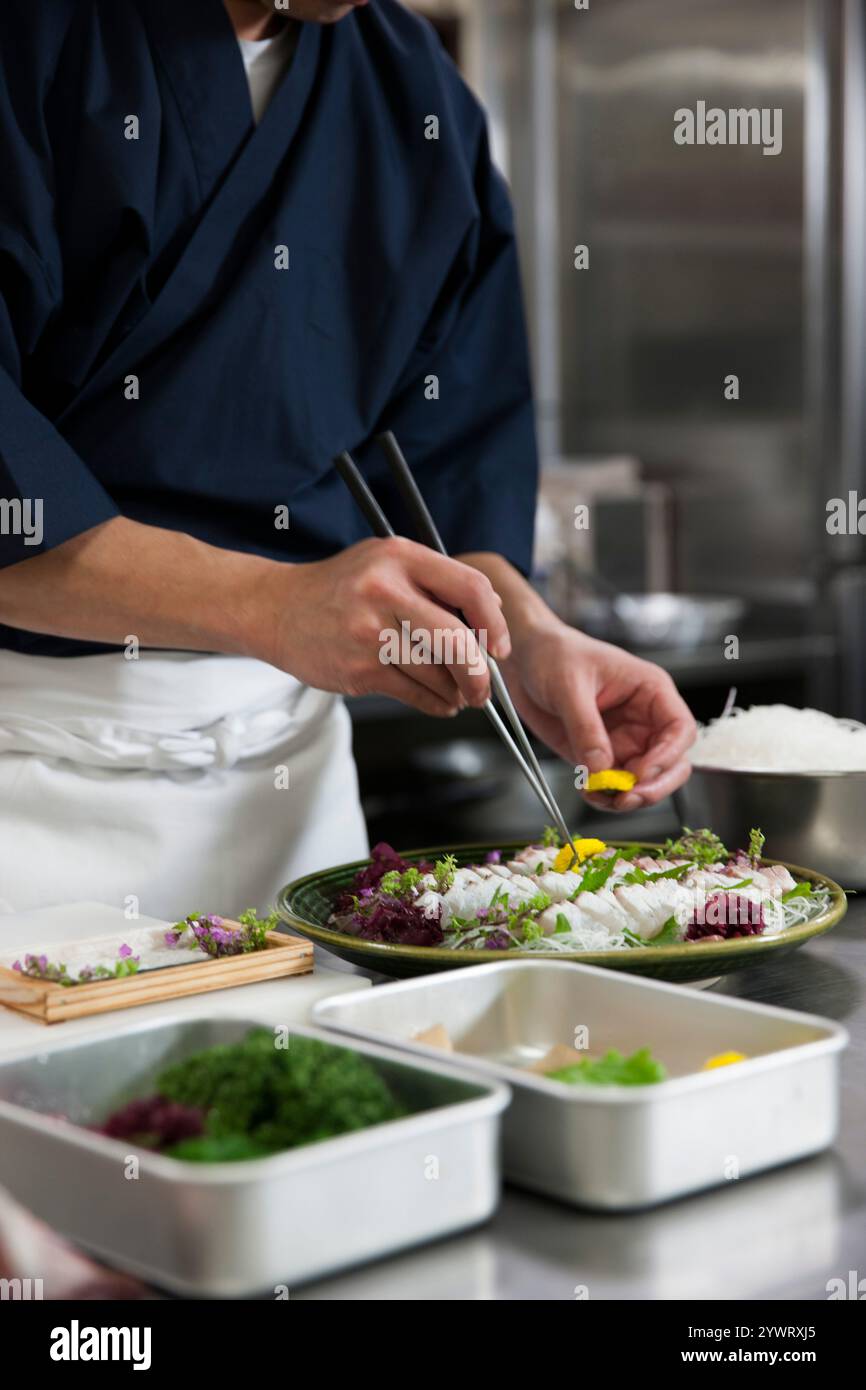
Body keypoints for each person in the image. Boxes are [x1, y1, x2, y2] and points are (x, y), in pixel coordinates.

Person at [0, 0, 695, 919]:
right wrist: (273, 606)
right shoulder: (37, 37)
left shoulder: (410, 87)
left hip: (288, 801)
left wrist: (524, 637)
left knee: (311, 1057)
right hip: (28, 783)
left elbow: (447, 473)